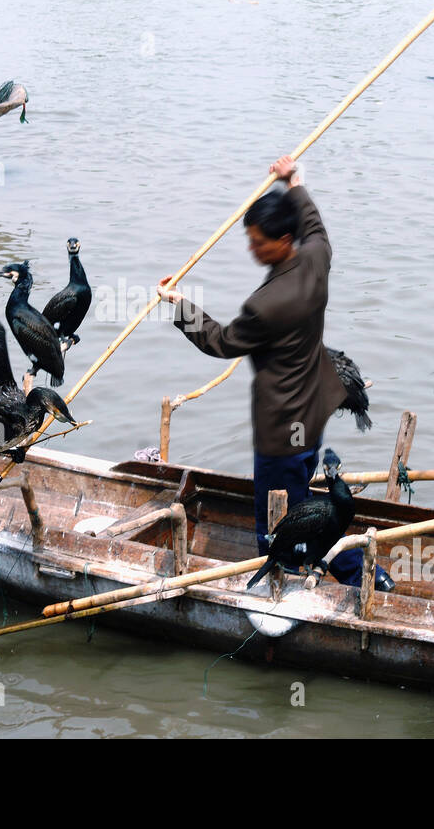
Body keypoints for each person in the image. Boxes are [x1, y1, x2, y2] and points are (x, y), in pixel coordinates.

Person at [157, 155, 366, 586]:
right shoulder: (316, 258)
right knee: (306, 505)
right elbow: (315, 226)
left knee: (278, 520)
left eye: (258, 242)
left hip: (282, 424)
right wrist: (295, 182)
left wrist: (179, 306)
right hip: (316, 406)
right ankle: (359, 573)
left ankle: (283, 582)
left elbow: (222, 340)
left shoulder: (267, 304)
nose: (252, 250)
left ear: (283, 239)